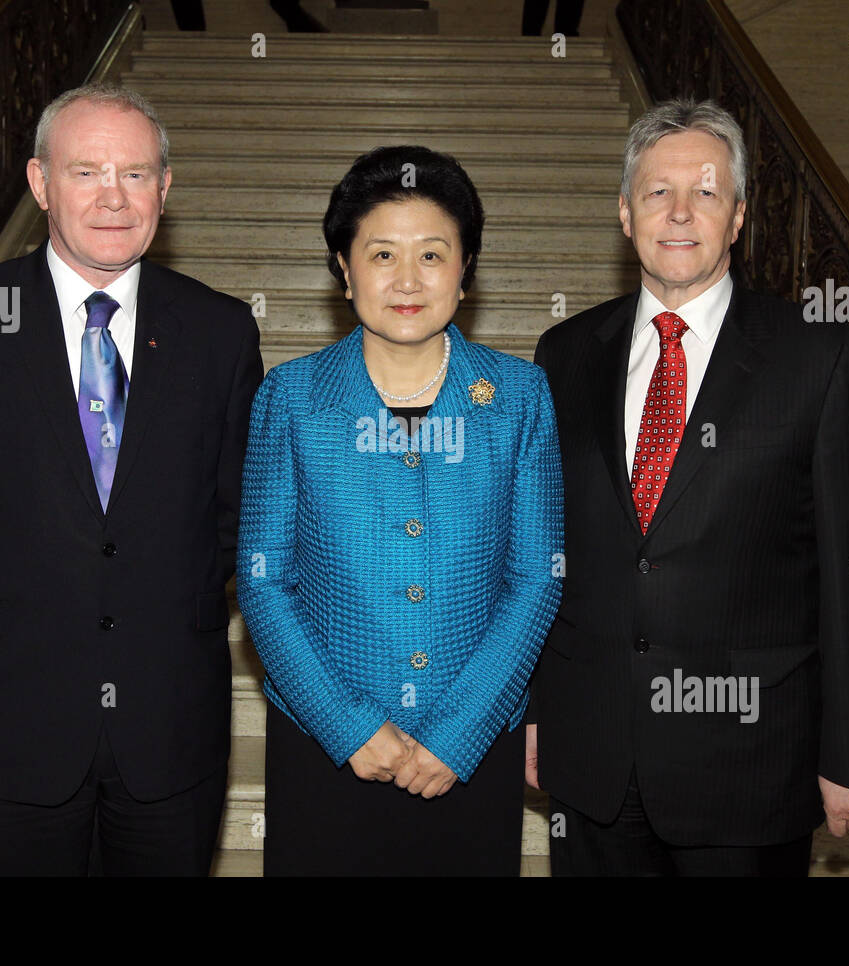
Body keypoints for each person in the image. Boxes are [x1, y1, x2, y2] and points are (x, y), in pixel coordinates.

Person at [0, 84, 263, 875]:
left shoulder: (221, 329)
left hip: (168, 719)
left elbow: (235, 511)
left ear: (165, 189)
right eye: (86, 171)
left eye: (135, 174)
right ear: (39, 184)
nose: (112, 196)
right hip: (5, 713)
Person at [527, 98, 849, 876]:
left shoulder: (820, 357)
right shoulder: (564, 354)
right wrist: (536, 717)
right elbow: (546, 554)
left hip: (750, 767)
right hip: (593, 759)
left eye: (706, 191)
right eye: (658, 192)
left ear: (737, 218)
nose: (680, 211)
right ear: (625, 214)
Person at [237, 145, 563, 876]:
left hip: (471, 750)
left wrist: (461, 731)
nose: (408, 280)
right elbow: (263, 581)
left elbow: (536, 578)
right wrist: (346, 723)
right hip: (325, 747)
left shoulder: (518, 398)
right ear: (345, 270)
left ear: (466, 269)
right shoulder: (291, 399)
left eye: (433, 255)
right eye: (382, 254)